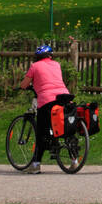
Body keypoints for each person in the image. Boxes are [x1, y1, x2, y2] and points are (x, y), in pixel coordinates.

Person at [18, 44, 72, 173]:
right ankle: (74, 161)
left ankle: (36, 165)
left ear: (37, 57)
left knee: (41, 132)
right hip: (64, 97)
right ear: (50, 56)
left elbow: (25, 84)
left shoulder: (34, 66)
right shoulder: (57, 65)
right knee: (65, 128)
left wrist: (21, 87)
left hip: (47, 100)